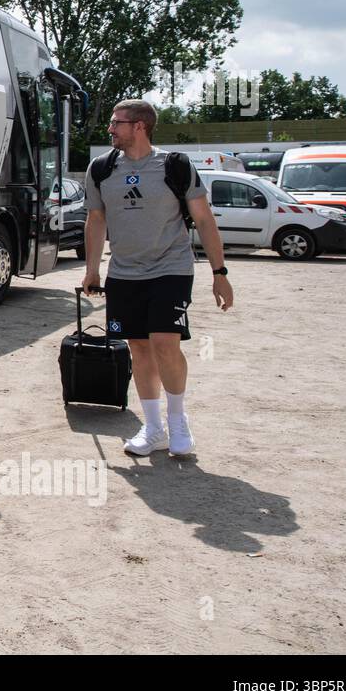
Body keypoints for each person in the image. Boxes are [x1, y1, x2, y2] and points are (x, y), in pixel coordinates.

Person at [82, 99, 235, 456]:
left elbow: (204, 219)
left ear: (139, 126)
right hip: (124, 271)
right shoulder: (101, 168)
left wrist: (219, 272)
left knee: (165, 343)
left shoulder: (174, 165)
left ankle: (178, 422)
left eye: (117, 123)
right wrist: (92, 268)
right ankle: (153, 429)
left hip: (171, 267)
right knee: (138, 347)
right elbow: (96, 218)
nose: (110, 129)